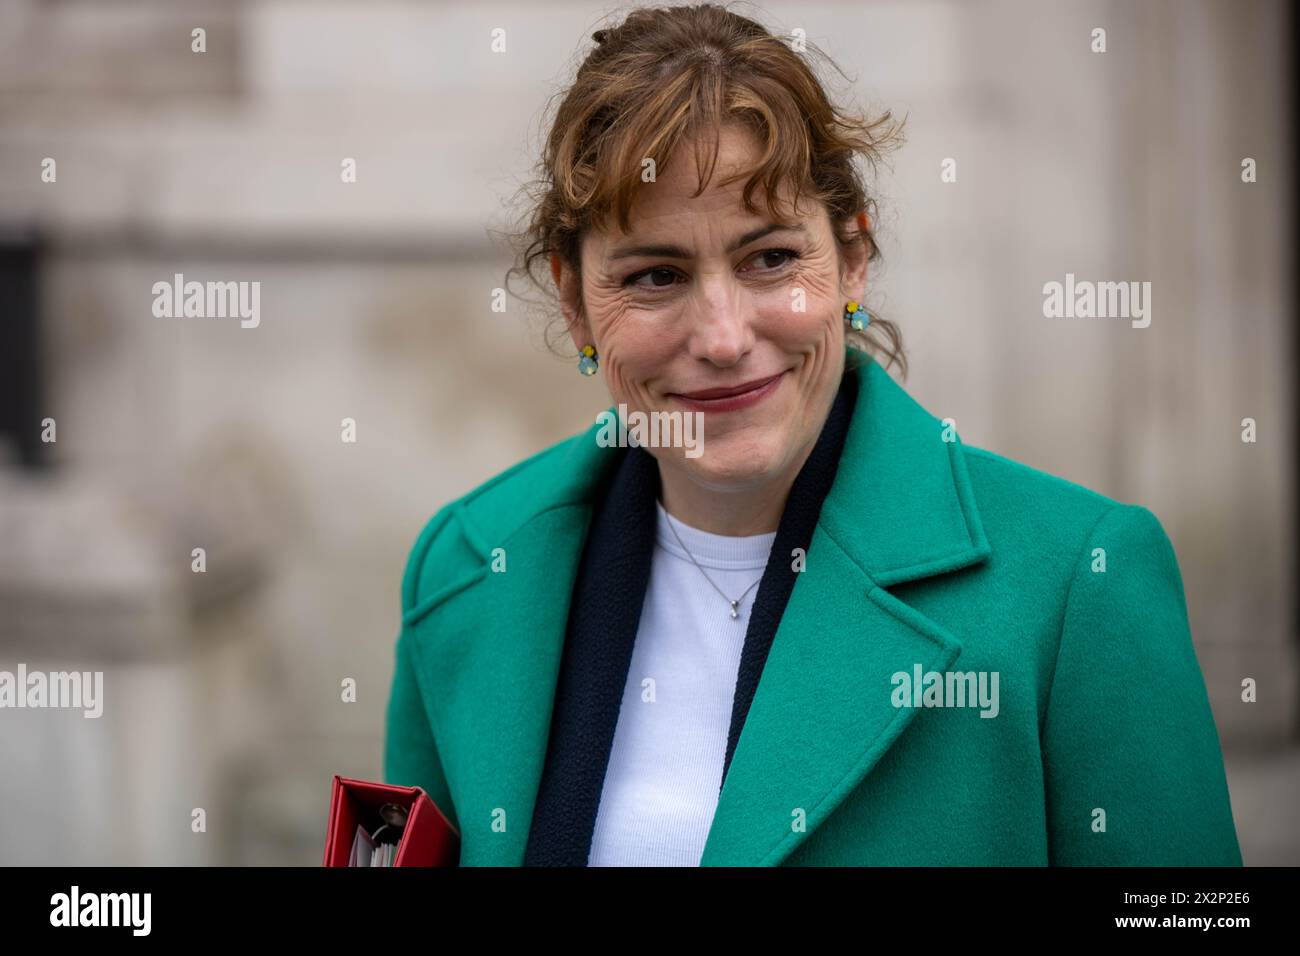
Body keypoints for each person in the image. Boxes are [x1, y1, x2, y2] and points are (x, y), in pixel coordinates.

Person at [384, 3, 1241, 866]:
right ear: (575, 303)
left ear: (853, 259)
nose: (721, 337)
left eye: (770, 259)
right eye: (656, 274)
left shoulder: (1075, 584)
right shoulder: (467, 572)